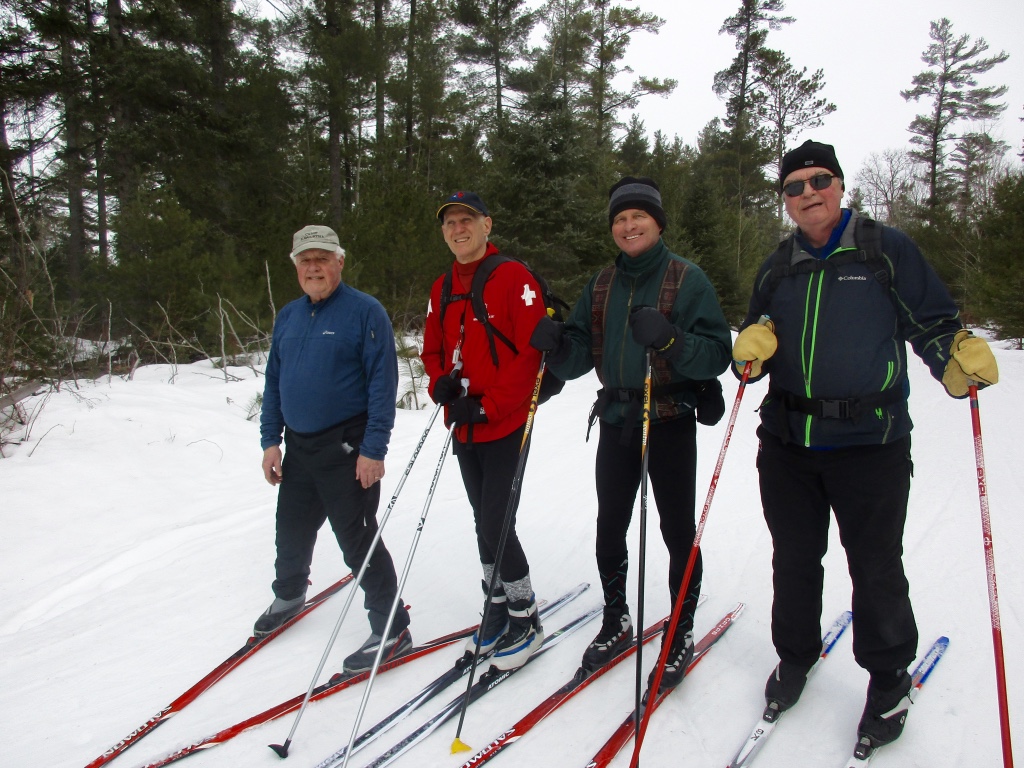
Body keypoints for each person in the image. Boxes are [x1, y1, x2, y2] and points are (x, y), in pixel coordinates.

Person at [732, 140, 999, 751]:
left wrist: (953, 362)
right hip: (788, 441)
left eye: (818, 180)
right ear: (786, 200)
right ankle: (795, 658)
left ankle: (887, 679)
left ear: (841, 186)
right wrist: (748, 358)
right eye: (794, 186)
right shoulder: (779, 265)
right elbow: (758, 337)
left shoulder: (884, 251)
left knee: (875, 567)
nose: (807, 193)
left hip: (870, 443)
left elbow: (931, 321)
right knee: (794, 559)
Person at [529, 177, 732, 691]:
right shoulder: (601, 284)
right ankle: (616, 617)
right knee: (609, 526)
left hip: (668, 419)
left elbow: (717, 354)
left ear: (658, 223)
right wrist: (555, 343)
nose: (628, 225)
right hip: (618, 420)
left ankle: (680, 629)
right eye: (619, 219)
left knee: (676, 530)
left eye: (638, 216)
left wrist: (669, 338)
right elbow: (577, 353)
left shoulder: (688, 279)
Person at [258, 225, 412, 673]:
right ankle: (289, 593)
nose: (313, 267)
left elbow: (383, 385)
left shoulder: (366, 312)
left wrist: (374, 448)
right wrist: (271, 440)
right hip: (299, 448)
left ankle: (392, 625)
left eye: (322, 259)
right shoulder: (288, 315)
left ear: (339, 262)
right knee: (290, 529)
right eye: (305, 260)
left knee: (357, 539)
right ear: (296, 267)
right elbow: (273, 383)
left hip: (348, 448)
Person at [420, 191, 547, 671]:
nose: (458, 229)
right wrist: (442, 385)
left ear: (487, 225)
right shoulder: (441, 287)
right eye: (450, 222)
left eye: (466, 220)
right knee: (482, 520)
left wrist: (490, 405)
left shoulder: (514, 278)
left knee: (496, 521)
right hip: (464, 425)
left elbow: (530, 355)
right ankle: (496, 605)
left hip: (506, 422)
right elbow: (432, 350)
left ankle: (525, 612)